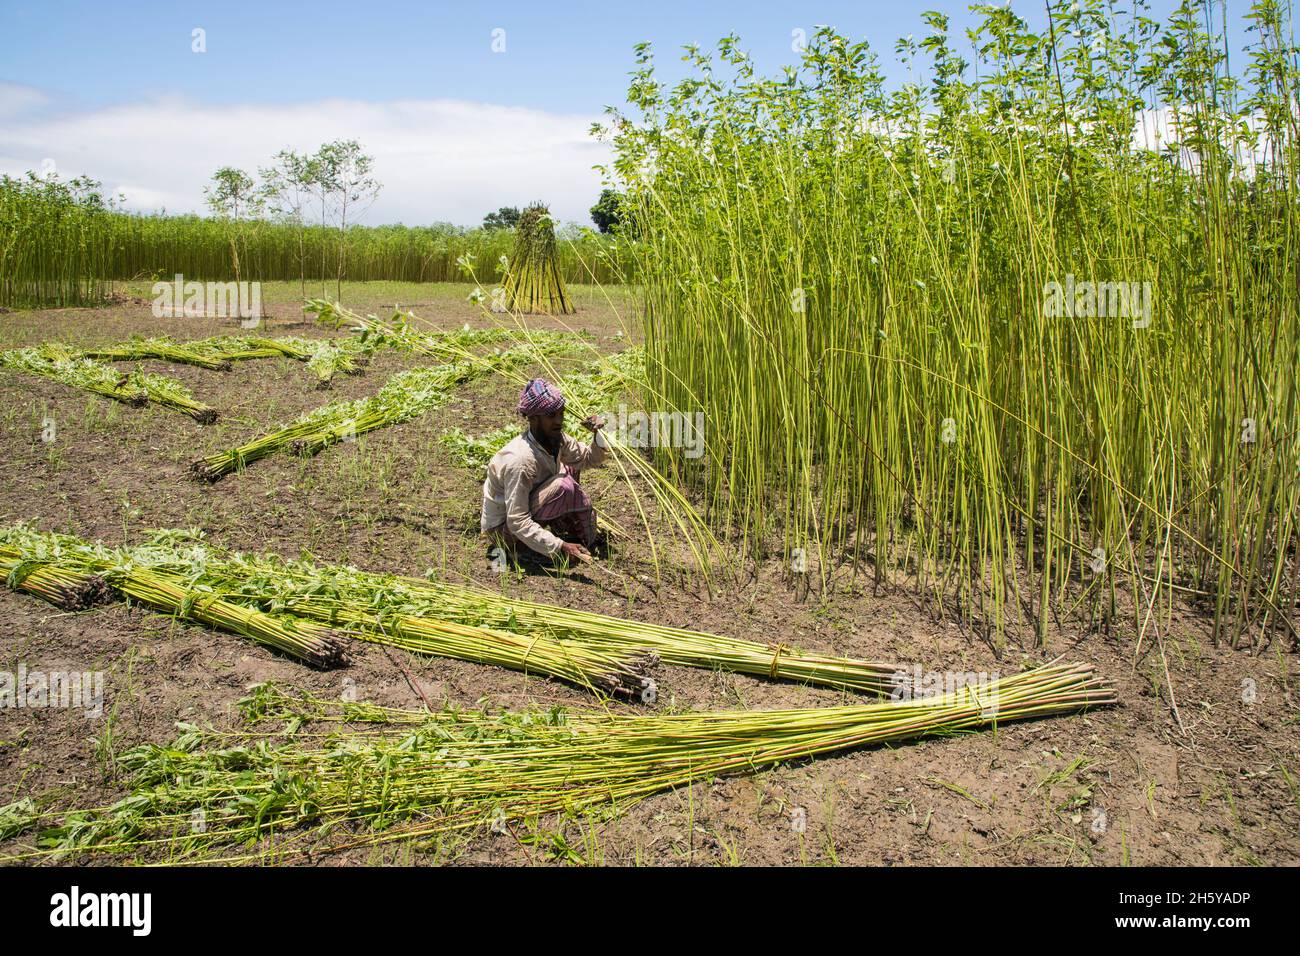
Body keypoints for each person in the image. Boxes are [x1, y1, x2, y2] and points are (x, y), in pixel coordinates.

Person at [481, 378, 607, 564]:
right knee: (564, 485)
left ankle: (563, 529)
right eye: (550, 415)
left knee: (571, 467)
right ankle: (520, 549)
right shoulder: (520, 461)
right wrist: (560, 546)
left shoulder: (556, 439)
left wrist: (598, 434)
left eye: (561, 413)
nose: (558, 421)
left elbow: (588, 458)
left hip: (527, 508)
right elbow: (517, 521)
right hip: (503, 531)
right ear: (533, 418)